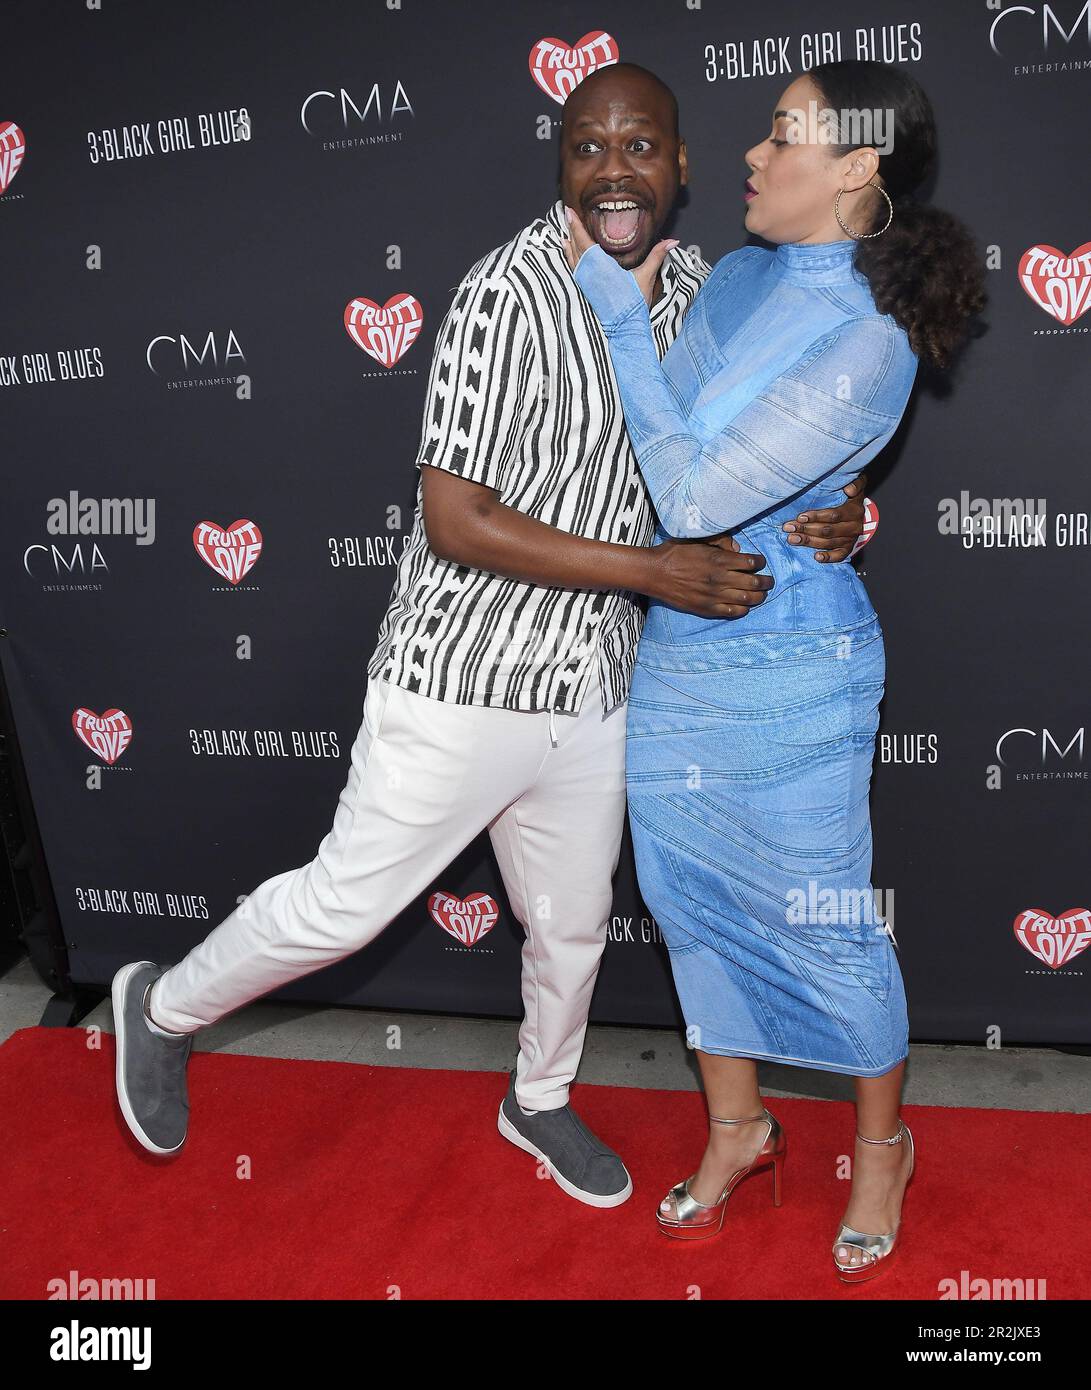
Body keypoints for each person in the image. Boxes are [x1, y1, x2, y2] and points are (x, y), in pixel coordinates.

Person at [110, 63, 870, 1211]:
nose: (614, 171)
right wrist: (651, 571)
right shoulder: (502, 293)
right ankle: (160, 1005)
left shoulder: (702, 288)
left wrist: (851, 505)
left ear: (681, 164)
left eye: (639, 147)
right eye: (587, 148)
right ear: (561, 162)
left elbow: (773, 439)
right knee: (344, 902)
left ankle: (539, 1096)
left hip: (596, 684)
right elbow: (452, 518)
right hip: (461, 675)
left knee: (568, 927)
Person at [563, 58, 985, 1273]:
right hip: (681, 656)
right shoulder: (737, 275)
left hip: (794, 664)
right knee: (688, 904)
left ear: (856, 165)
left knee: (822, 917)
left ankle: (882, 1145)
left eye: (782, 134)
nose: (749, 154)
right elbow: (685, 453)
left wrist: (613, 308)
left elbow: (689, 485)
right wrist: (829, 497)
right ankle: (737, 1126)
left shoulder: (874, 335)